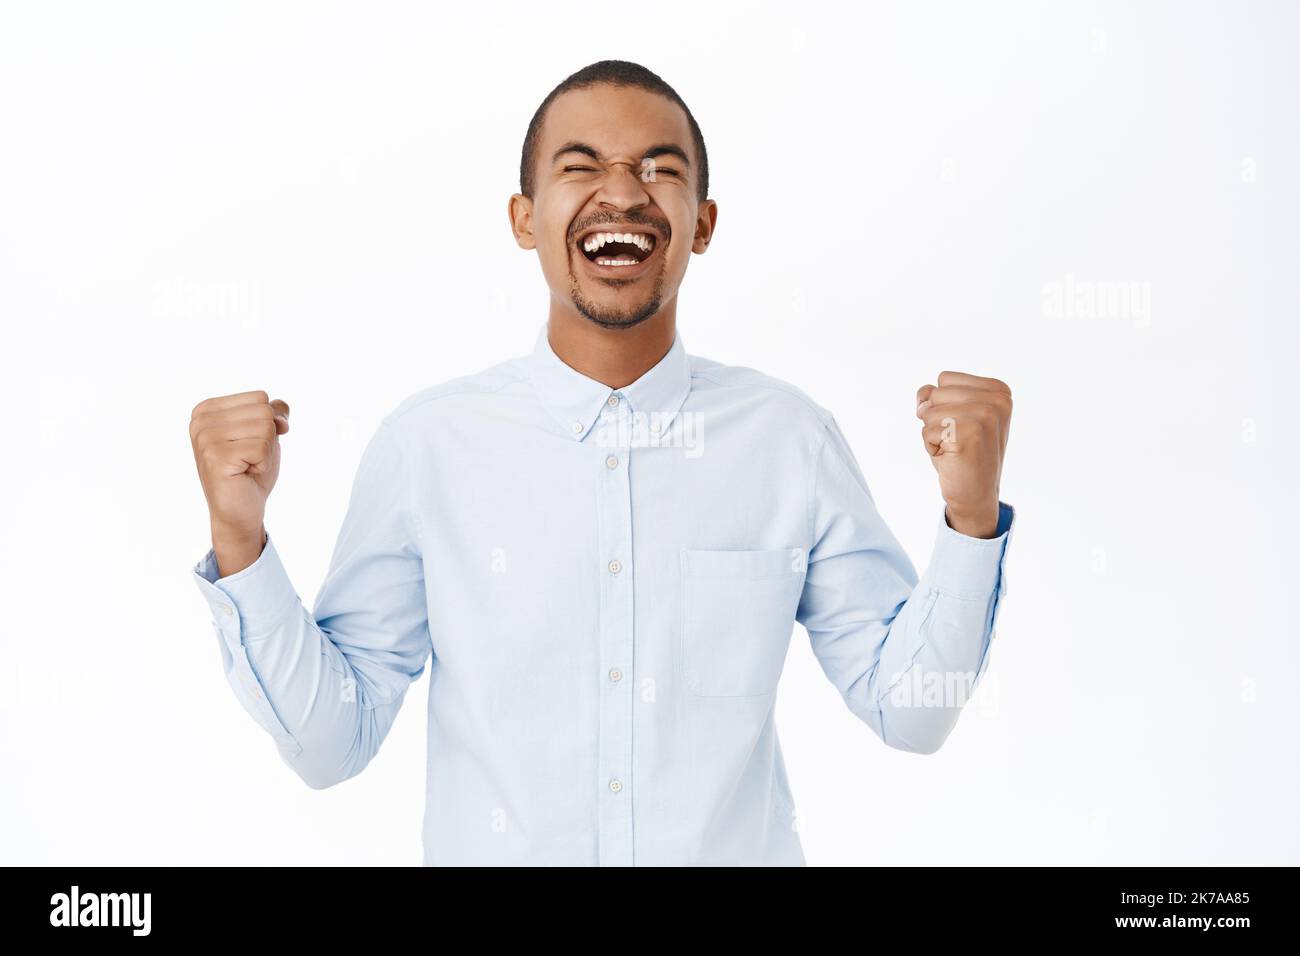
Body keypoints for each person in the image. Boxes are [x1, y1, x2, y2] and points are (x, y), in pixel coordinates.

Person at [188, 60, 1015, 866]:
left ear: (702, 223)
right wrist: (239, 537)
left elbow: (910, 713)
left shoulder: (789, 441)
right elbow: (332, 741)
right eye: (580, 166)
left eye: (658, 169)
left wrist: (970, 519)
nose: (622, 193)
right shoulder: (428, 447)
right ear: (523, 218)